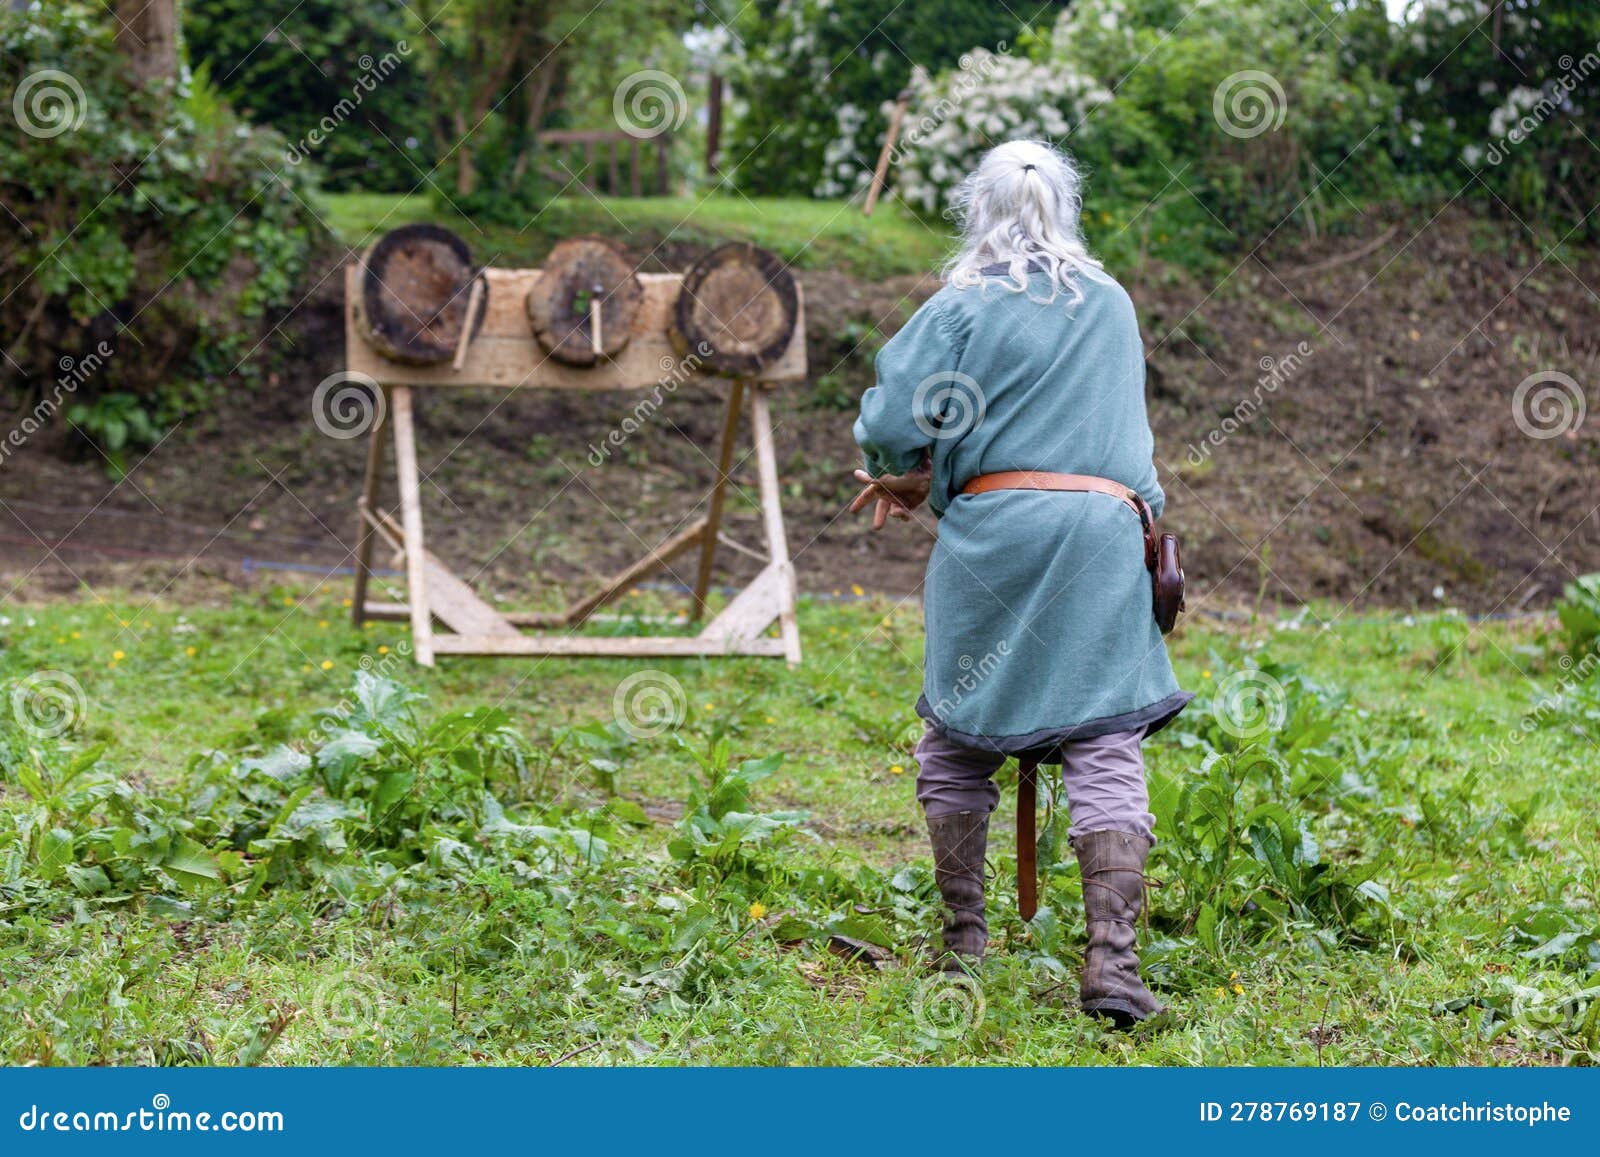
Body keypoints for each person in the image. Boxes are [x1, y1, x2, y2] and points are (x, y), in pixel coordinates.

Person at [849, 139, 1192, 1028]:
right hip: (1106, 530)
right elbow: (1134, 445)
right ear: (1065, 209)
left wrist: (904, 468)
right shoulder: (1112, 304)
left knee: (958, 739)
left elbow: (891, 417)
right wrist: (1146, 533)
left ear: (980, 212)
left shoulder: (963, 305)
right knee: (1107, 742)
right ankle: (1112, 964)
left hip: (994, 534)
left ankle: (965, 939)